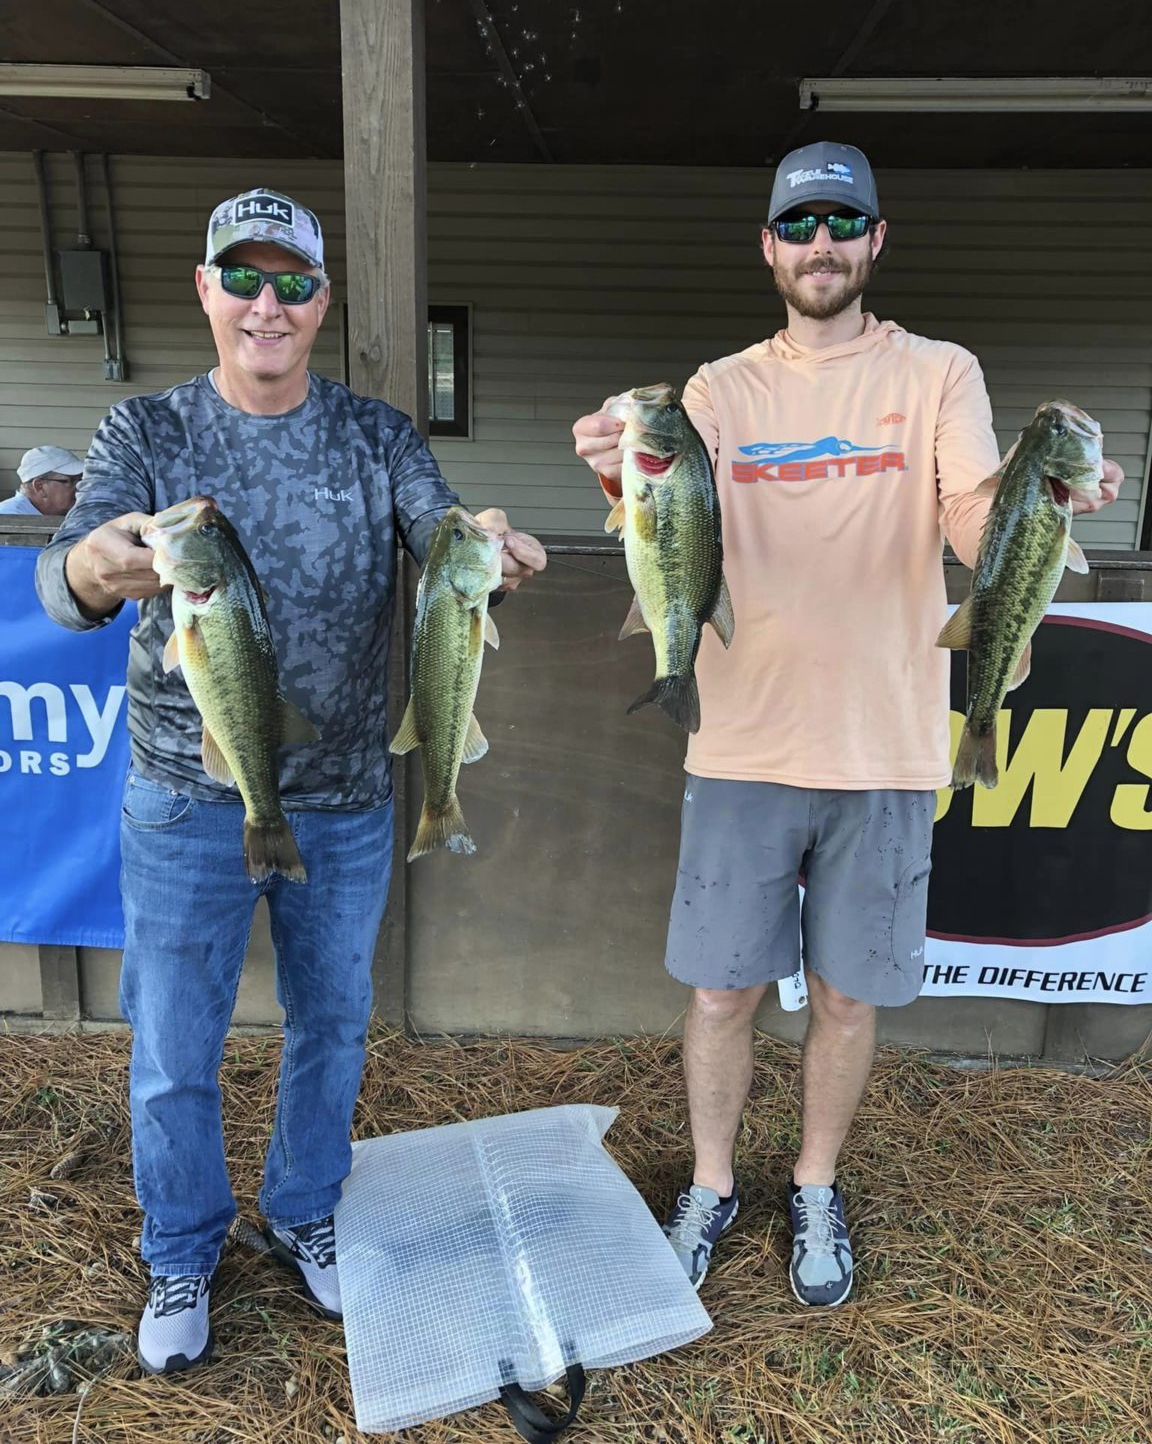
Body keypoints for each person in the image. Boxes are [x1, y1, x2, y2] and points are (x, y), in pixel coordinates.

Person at [572, 142, 1123, 1307]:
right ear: (770, 246)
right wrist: (620, 473)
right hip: (742, 741)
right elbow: (677, 522)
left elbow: (976, 523)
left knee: (848, 996)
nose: (821, 245)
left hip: (886, 744)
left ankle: (815, 1182)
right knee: (720, 991)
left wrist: (1044, 499)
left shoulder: (938, 372)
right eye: (800, 225)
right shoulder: (719, 391)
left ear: (876, 241)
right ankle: (713, 1181)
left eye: (843, 223)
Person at [36, 187, 546, 1375]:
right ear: (207, 289)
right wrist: (97, 564)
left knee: (333, 1022)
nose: (269, 304)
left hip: (350, 798)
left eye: (295, 283)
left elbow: (440, 527)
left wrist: (489, 548)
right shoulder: (146, 433)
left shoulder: (377, 436)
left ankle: (305, 1202)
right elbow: (78, 574)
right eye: (246, 279)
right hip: (180, 799)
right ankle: (180, 1245)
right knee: (172, 1043)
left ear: (324, 301)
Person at [0, 445, 84, 515]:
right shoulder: (9, 517)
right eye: (71, 481)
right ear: (39, 487)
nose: (79, 487)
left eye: (81, 480)